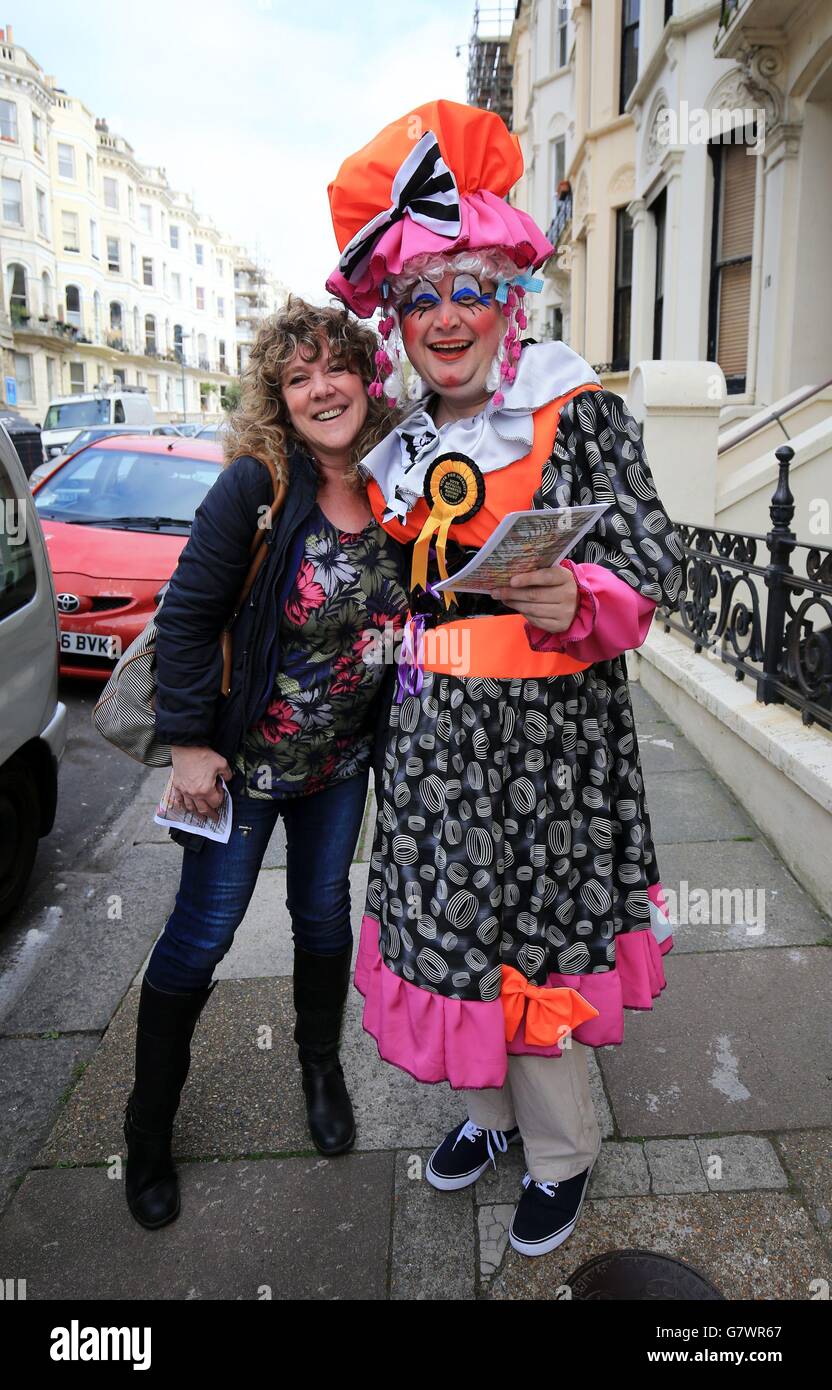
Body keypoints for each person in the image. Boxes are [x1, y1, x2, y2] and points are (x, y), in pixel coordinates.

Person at [325, 101, 683, 1258]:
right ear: (396, 321)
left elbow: (650, 557)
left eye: (466, 289)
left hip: (550, 755)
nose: (442, 317)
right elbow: (381, 597)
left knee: (532, 950)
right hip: (430, 753)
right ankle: (483, 1119)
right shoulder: (400, 446)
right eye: (418, 296)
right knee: (446, 940)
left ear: (507, 300)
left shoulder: (573, 412)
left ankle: (562, 1151)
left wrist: (577, 598)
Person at [122, 299, 408, 1229]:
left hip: (339, 767)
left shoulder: (404, 479)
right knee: (202, 939)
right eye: (298, 376)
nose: (321, 387)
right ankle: (149, 1127)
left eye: (336, 367)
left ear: (368, 377)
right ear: (278, 398)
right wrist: (192, 744)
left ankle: (320, 1072)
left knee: (324, 919)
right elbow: (190, 618)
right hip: (241, 769)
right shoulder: (255, 485)